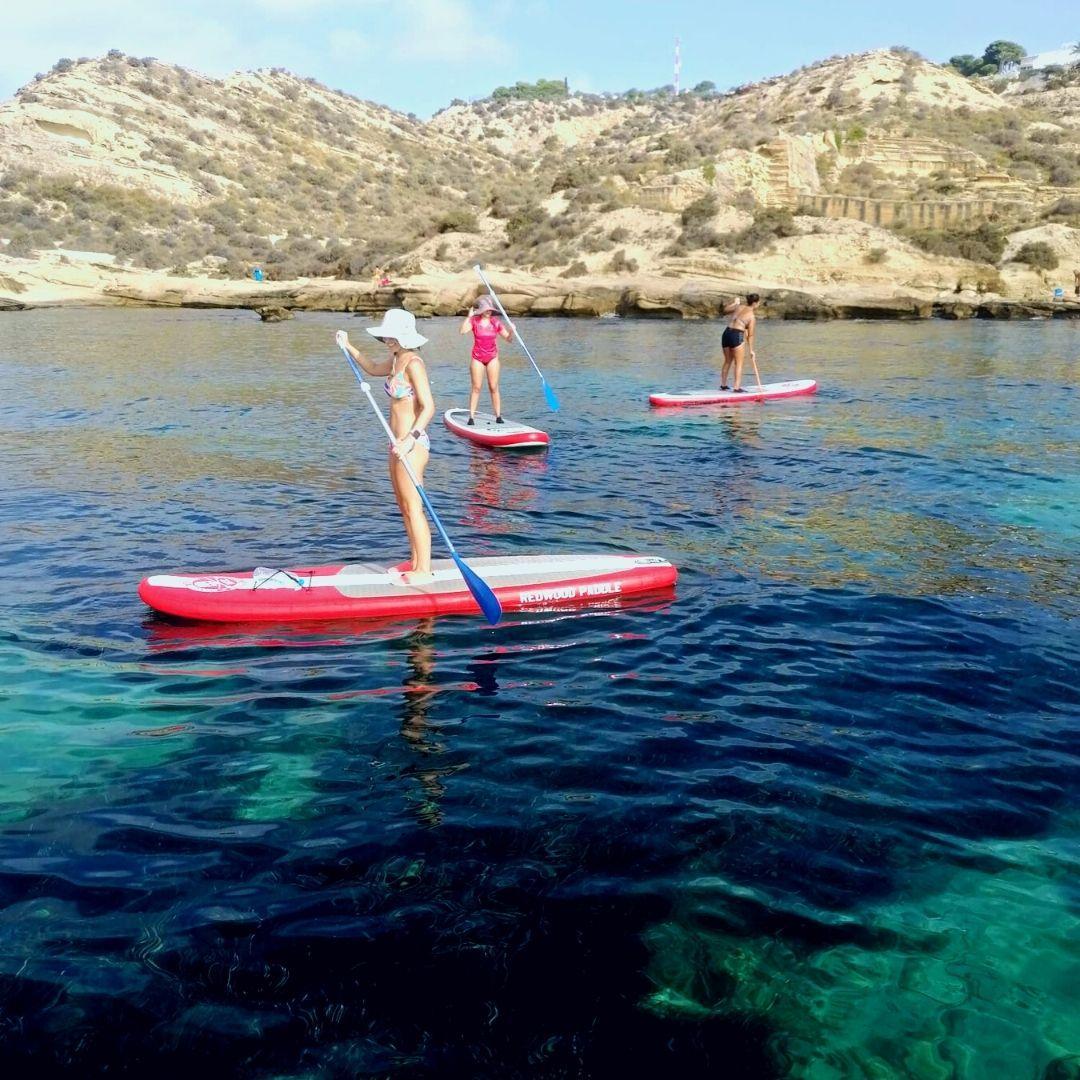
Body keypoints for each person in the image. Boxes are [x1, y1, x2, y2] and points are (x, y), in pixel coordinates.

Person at [335, 309, 435, 581]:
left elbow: (428, 407)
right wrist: (348, 346)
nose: (388, 340)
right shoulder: (395, 360)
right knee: (403, 505)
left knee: (414, 506)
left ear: (404, 336)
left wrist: (409, 440)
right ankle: (414, 561)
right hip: (395, 443)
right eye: (387, 336)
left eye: (392, 336)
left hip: (412, 444)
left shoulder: (414, 363)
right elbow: (371, 368)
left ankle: (424, 569)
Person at [459, 295, 513, 425]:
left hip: (492, 358)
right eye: (486, 309)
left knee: (493, 387)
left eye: (490, 309)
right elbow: (462, 331)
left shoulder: (496, 322)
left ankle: (498, 416)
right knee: (476, 387)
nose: (489, 311)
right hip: (477, 358)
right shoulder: (474, 321)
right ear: (481, 310)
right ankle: (471, 417)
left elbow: (509, 339)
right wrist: (469, 316)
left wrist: (512, 331)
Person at [720, 293, 761, 393]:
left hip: (726, 333)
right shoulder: (751, 317)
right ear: (755, 303)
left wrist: (734, 303)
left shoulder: (738, 307)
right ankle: (736, 388)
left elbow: (724, 311)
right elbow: (750, 335)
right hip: (736, 335)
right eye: (759, 303)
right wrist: (751, 350)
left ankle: (723, 385)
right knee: (739, 363)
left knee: (727, 361)